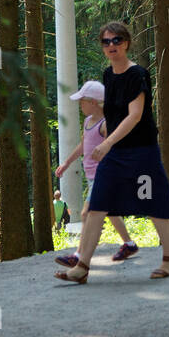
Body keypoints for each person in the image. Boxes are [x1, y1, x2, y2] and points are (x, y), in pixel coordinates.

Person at [54, 22, 169, 284]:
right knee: (97, 206)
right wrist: (99, 141)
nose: (111, 45)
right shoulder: (108, 75)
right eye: (106, 41)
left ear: (126, 43)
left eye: (116, 40)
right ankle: (82, 266)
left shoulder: (138, 75)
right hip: (116, 155)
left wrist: (106, 142)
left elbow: (135, 116)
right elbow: (113, 114)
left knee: (154, 204)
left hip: (142, 153)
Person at [54, 79, 139, 267]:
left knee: (86, 214)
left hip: (105, 176)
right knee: (110, 212)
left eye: (82, 101)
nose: (79, 104)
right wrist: (67, 163)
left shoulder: (105, 123)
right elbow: (84, 145)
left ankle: (78, 256)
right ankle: (129, 244)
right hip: (92, 177)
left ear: (93, 102)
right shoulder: (87, 122)